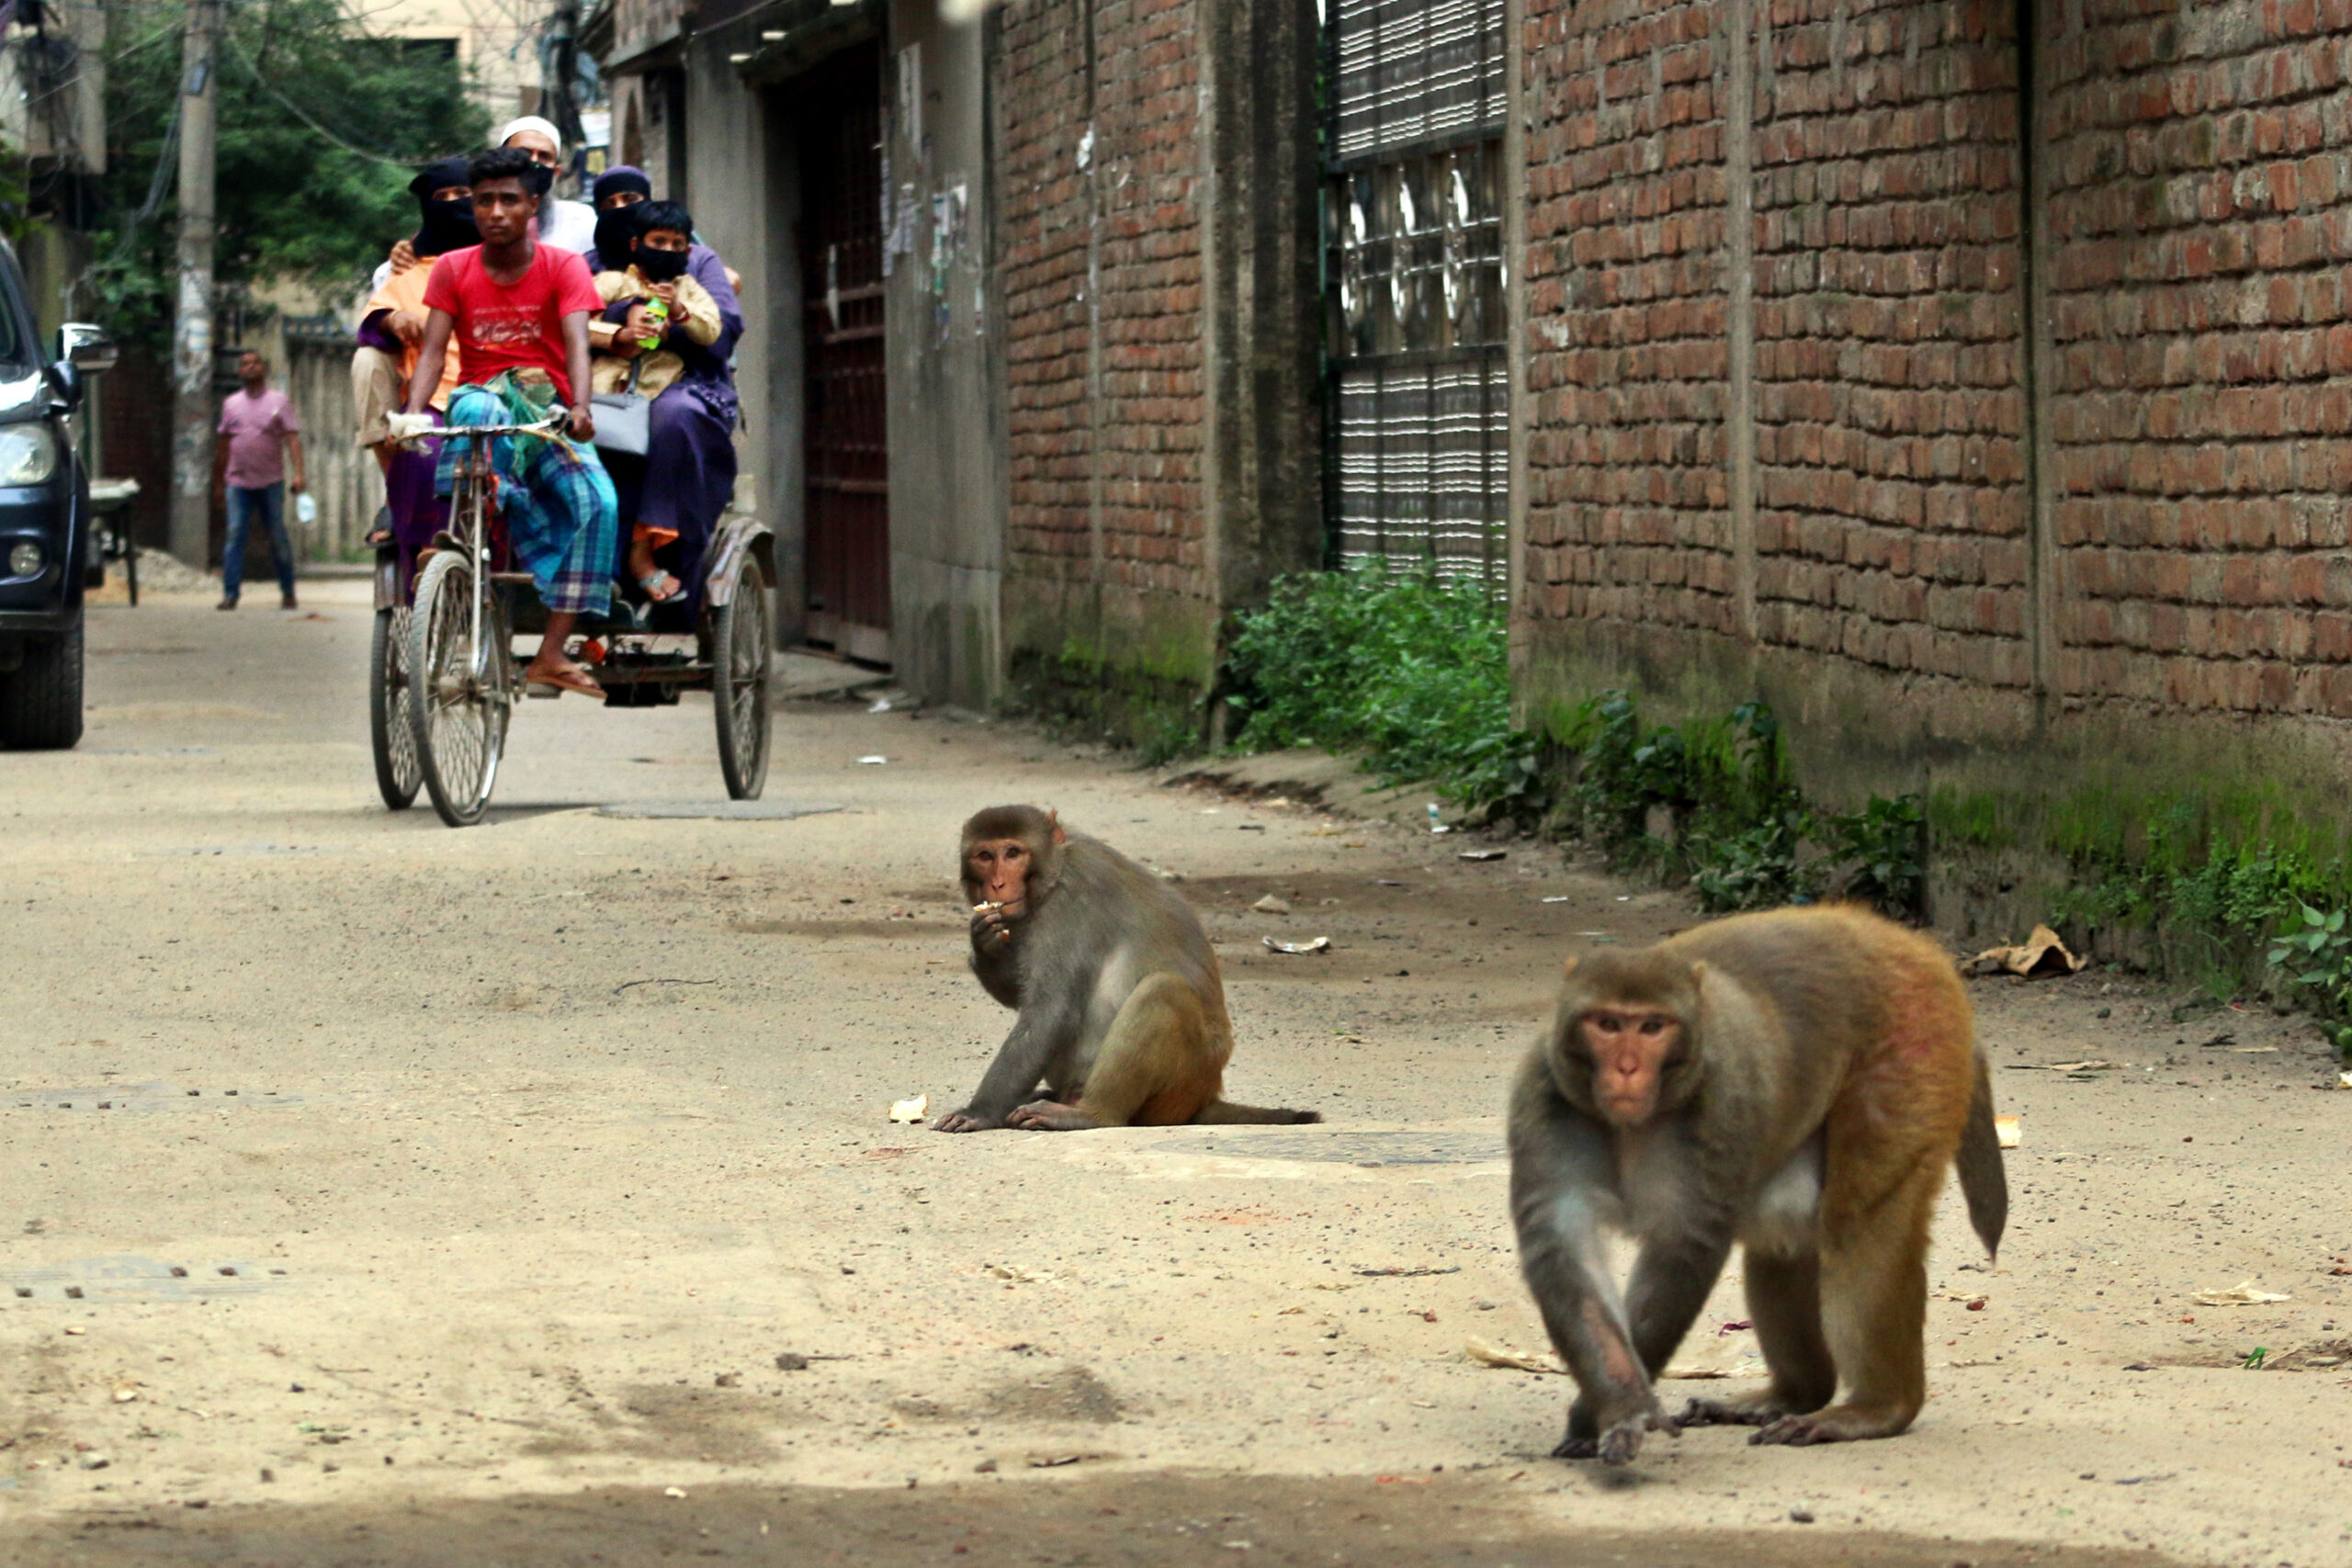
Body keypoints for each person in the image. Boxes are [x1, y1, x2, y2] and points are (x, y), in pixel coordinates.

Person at [395, 145, 618, 698]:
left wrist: (582, 409)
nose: (496, 212)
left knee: (600, 504)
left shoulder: (562, 266)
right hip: (481, 402)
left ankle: (550, 654)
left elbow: (576, 346)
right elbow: (432, 351)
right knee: (476, 408)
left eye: (508, 201)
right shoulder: (452, 267)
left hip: (546, 413)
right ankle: (459, 540)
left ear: (532, 206)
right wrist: (413, 415)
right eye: (484, 201)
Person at [591, 200, 725, 601]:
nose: (666, 250)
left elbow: (712, 330)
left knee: (632, 480)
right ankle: (601, 573)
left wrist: (680, 313)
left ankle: (628, 564)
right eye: (657, 241)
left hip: (651, 402)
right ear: (637, 244)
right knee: (599, 485)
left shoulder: (690, 289)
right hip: (603, 397)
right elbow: (575, 320)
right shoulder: (613, 282)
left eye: (676, 244)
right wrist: (618, 334)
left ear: (687, 252)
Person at [354, 158, 472, 569]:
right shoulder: (408, 271)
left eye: (464, 195)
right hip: (433, 396)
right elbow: (371, 324)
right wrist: (395, 318)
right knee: (426, 452)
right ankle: (422, 544)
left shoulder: (505, 262)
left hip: (494, 390)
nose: (455, 205)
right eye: (443, 198)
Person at [373, 117, 596, 288]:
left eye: (544, 157)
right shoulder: (477, 219)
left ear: (556, 171)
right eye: (524, 153)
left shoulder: (581, 220)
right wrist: (406, 253)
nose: (533, 163)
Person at [215, 350, 306, 612]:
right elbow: (223, 444)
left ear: (263, 368)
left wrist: (299, 473)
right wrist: (219, 483)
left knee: (277, 535)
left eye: (255, 363)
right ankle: (230, 594)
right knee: (235, 535)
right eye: (244, 364)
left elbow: (292, 439)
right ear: (239, 371)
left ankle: (288, 592)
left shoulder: (279, 401)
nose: (250, 367)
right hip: (237, 482)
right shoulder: (231, 404)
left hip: (270, 482)